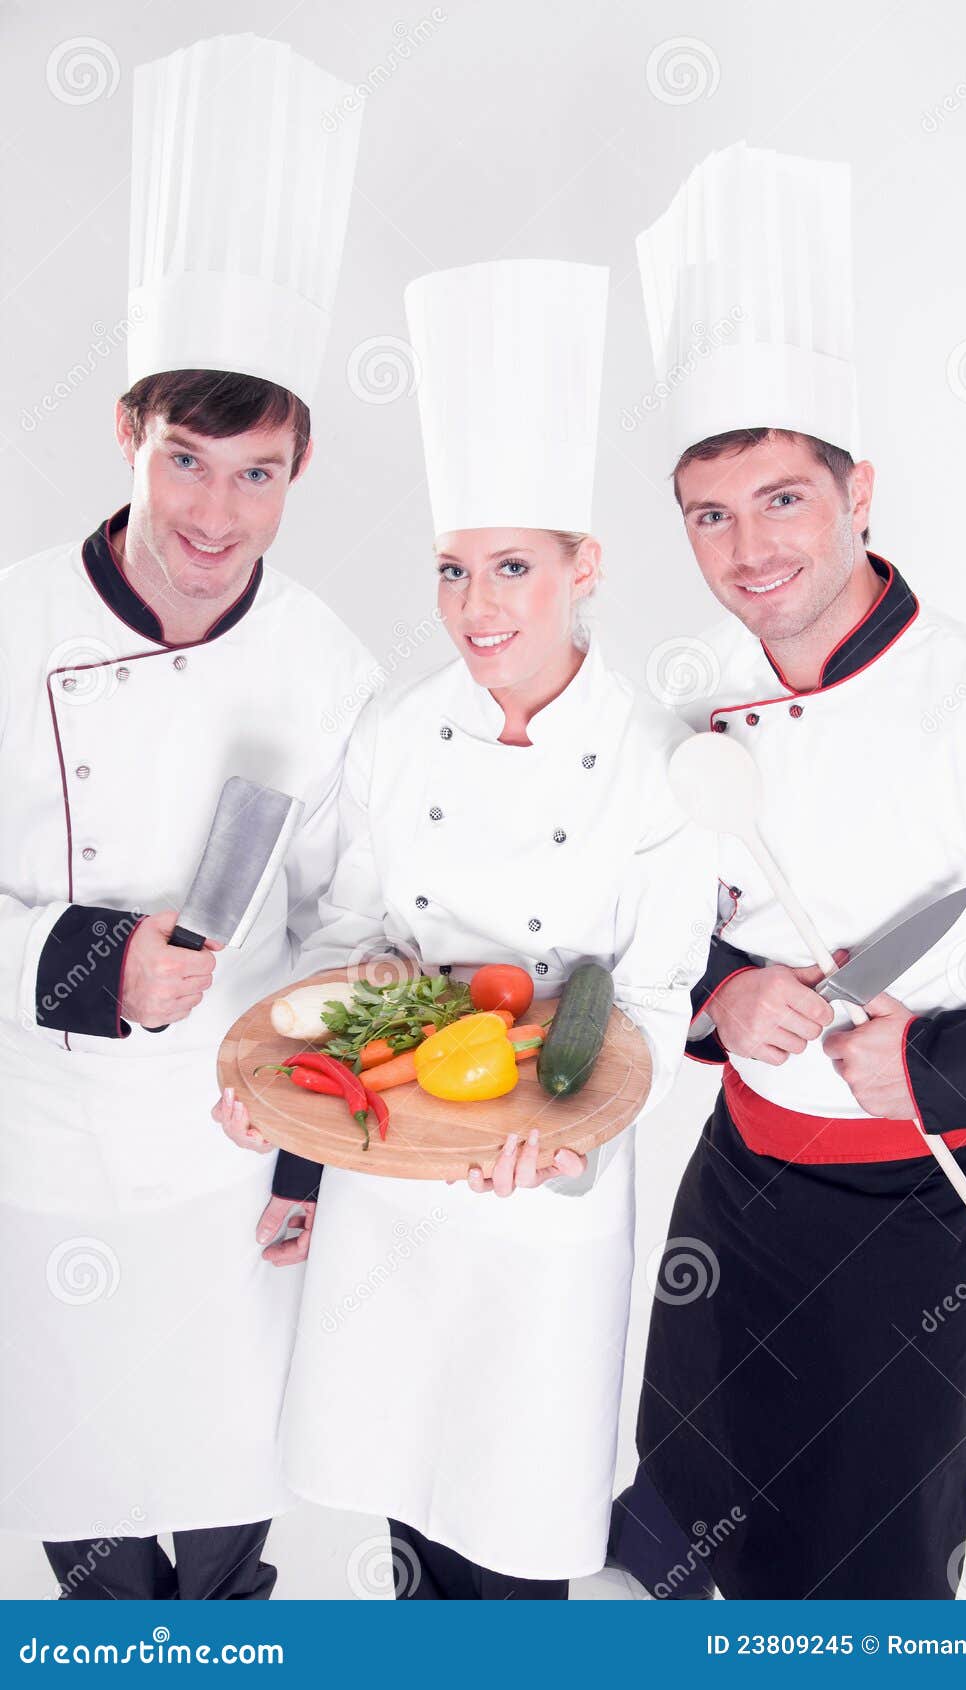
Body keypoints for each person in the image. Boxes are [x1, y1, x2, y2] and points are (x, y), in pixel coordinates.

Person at [216, 258, 719, 1597]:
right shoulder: (397, 728)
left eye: (510, 568)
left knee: (516, 1519)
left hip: (541, 1191)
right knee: (406, 1514)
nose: (476, 606)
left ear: (584, 568)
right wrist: (298, 1115)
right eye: (453, 570)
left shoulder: (657, 757)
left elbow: (654, 996)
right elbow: (346, 930)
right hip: (394, 1162)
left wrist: (562, 1138)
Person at [609, 142, 966, 1599]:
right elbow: (651, 922)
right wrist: (722, 993)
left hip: (924, 1202)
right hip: (737, 1179)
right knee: (674, 1532)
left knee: (864, 1578)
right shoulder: (698, 702)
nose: (750, 550)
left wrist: (949, 1059)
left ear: (860, 489)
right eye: (711, 513)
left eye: (785, 499)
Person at [0, 34, 372, 1599]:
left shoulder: (330, 665)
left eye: (258, 473)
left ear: (302, 465)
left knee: (225, 1553)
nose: (216, 516)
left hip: (233, 1153)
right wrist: (91, 962)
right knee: (95, 1554)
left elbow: (354, 924)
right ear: (127, 430)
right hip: (36, 1149)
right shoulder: (13, 626)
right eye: (186, 461)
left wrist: (302, 1138)